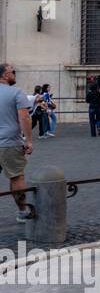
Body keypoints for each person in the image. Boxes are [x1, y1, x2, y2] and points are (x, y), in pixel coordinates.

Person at [0, 63, 35, 222]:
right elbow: (25, 118)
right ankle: (22, 212)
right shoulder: (16, 93)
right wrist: (28, 140)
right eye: (13, 72)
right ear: (5, 75)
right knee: (16, 177)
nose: (15, 74)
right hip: (10, 143)